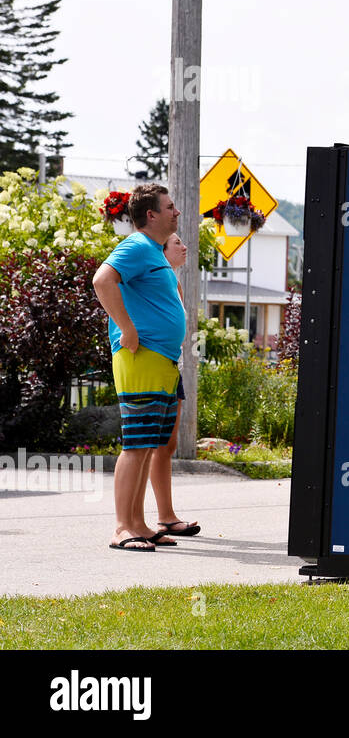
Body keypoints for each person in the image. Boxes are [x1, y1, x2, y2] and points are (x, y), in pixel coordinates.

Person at [92, 184, 186, 551]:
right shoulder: (135, 245)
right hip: (140, 355)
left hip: (160, 358)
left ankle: (139, 524)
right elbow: (103, 280)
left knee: (149, 444)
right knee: (136, 445)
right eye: (170, 207)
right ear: (151, 214)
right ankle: (121, 528)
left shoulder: (153, 253)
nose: (176, 212)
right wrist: (127, 329)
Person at [147, 232, 200, 540]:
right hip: (154, 367)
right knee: (149, 445)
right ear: (162, 251)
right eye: (177, 242)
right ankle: (148, 519)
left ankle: (167, 518)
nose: (184, 245)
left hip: (173, 367)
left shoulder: (174, 283)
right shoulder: (150, 279)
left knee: (167, 445)